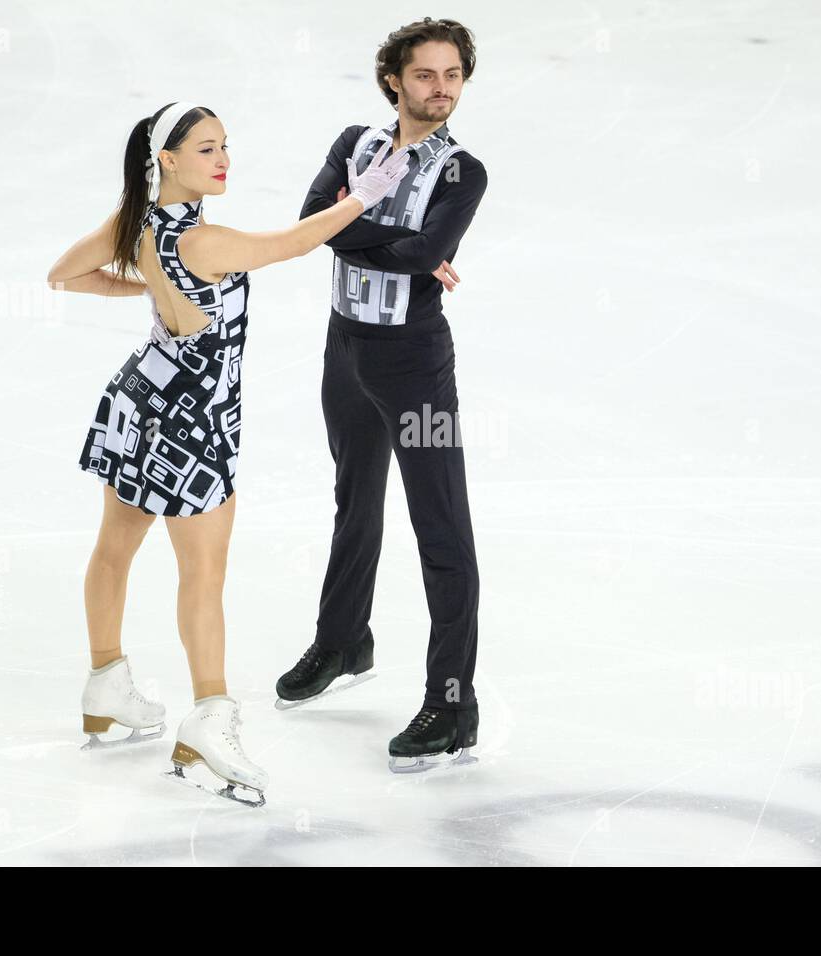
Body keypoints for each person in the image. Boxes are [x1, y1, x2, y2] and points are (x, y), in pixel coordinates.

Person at [48, 101, 410, 803]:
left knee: (115, 549)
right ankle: (209, 725)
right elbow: (296, 243)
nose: (223, 160)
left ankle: (106, 686)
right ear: (170, 160)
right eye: (207, 148)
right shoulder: (204, 242)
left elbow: (64, 272)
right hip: (190, 420)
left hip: (140, 395)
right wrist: (366, 196)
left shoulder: (137, 222)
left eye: (226, 146)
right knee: (203, 575)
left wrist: (147, 286)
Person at [273, 19, 490, 773]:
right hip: (345, 352)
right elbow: (308, 222)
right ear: (393, 79)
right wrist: (376, 237)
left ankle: (452, 703)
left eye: (453, 75)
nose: (440, 90)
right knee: (353, 495)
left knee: (441, 528)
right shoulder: (354, 143)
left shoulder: (463, 173)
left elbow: (424, 252)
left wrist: (351, 221)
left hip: (414, 367)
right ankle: (343, 641)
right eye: (425, 75)